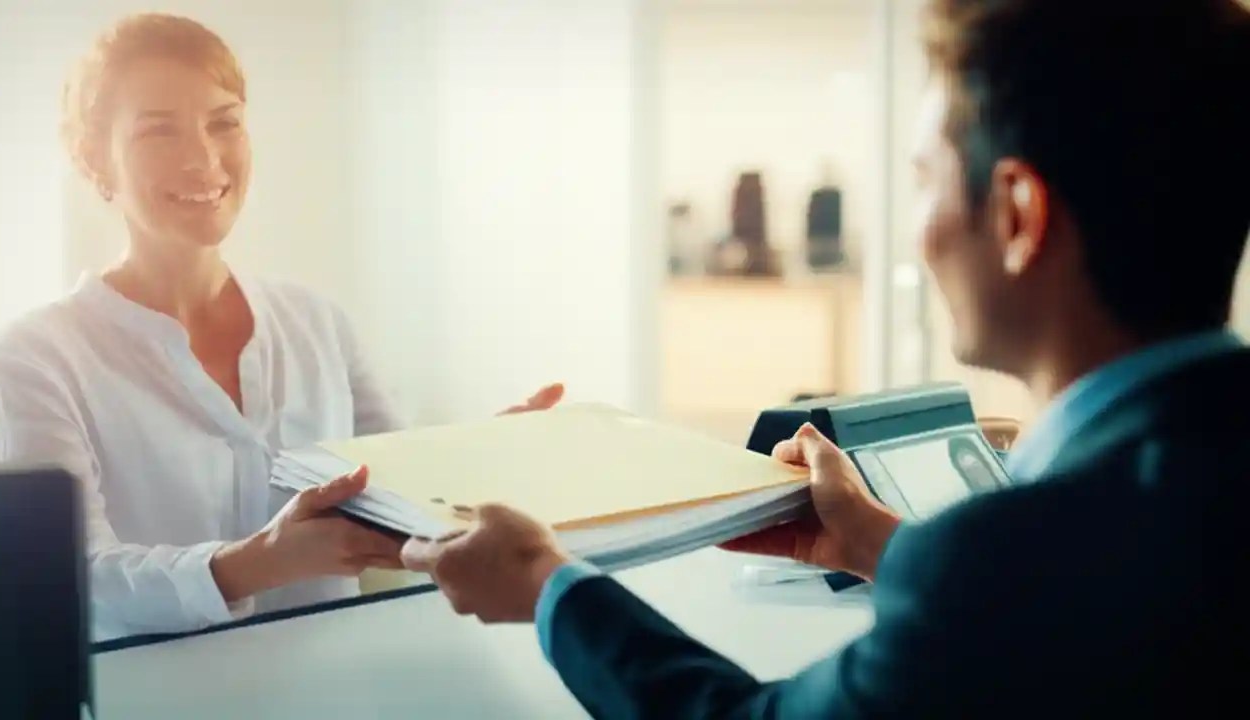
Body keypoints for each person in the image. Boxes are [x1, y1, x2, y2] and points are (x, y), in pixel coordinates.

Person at [400, 0, 1249, 715]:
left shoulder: (1010, 562)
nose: (916, 227)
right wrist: (879, 544)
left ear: (1019, 214)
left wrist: (545, 583)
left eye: (926, 180)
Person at [0, 13, 563, 643]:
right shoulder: (35, 357)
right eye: (159, 131)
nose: (203, 157)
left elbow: (405, 497)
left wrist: (488, 458)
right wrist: (259, 562)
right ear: (95, 160)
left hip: (341, 687)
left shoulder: (317, 322)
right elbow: (73, 575)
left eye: (224, 122)